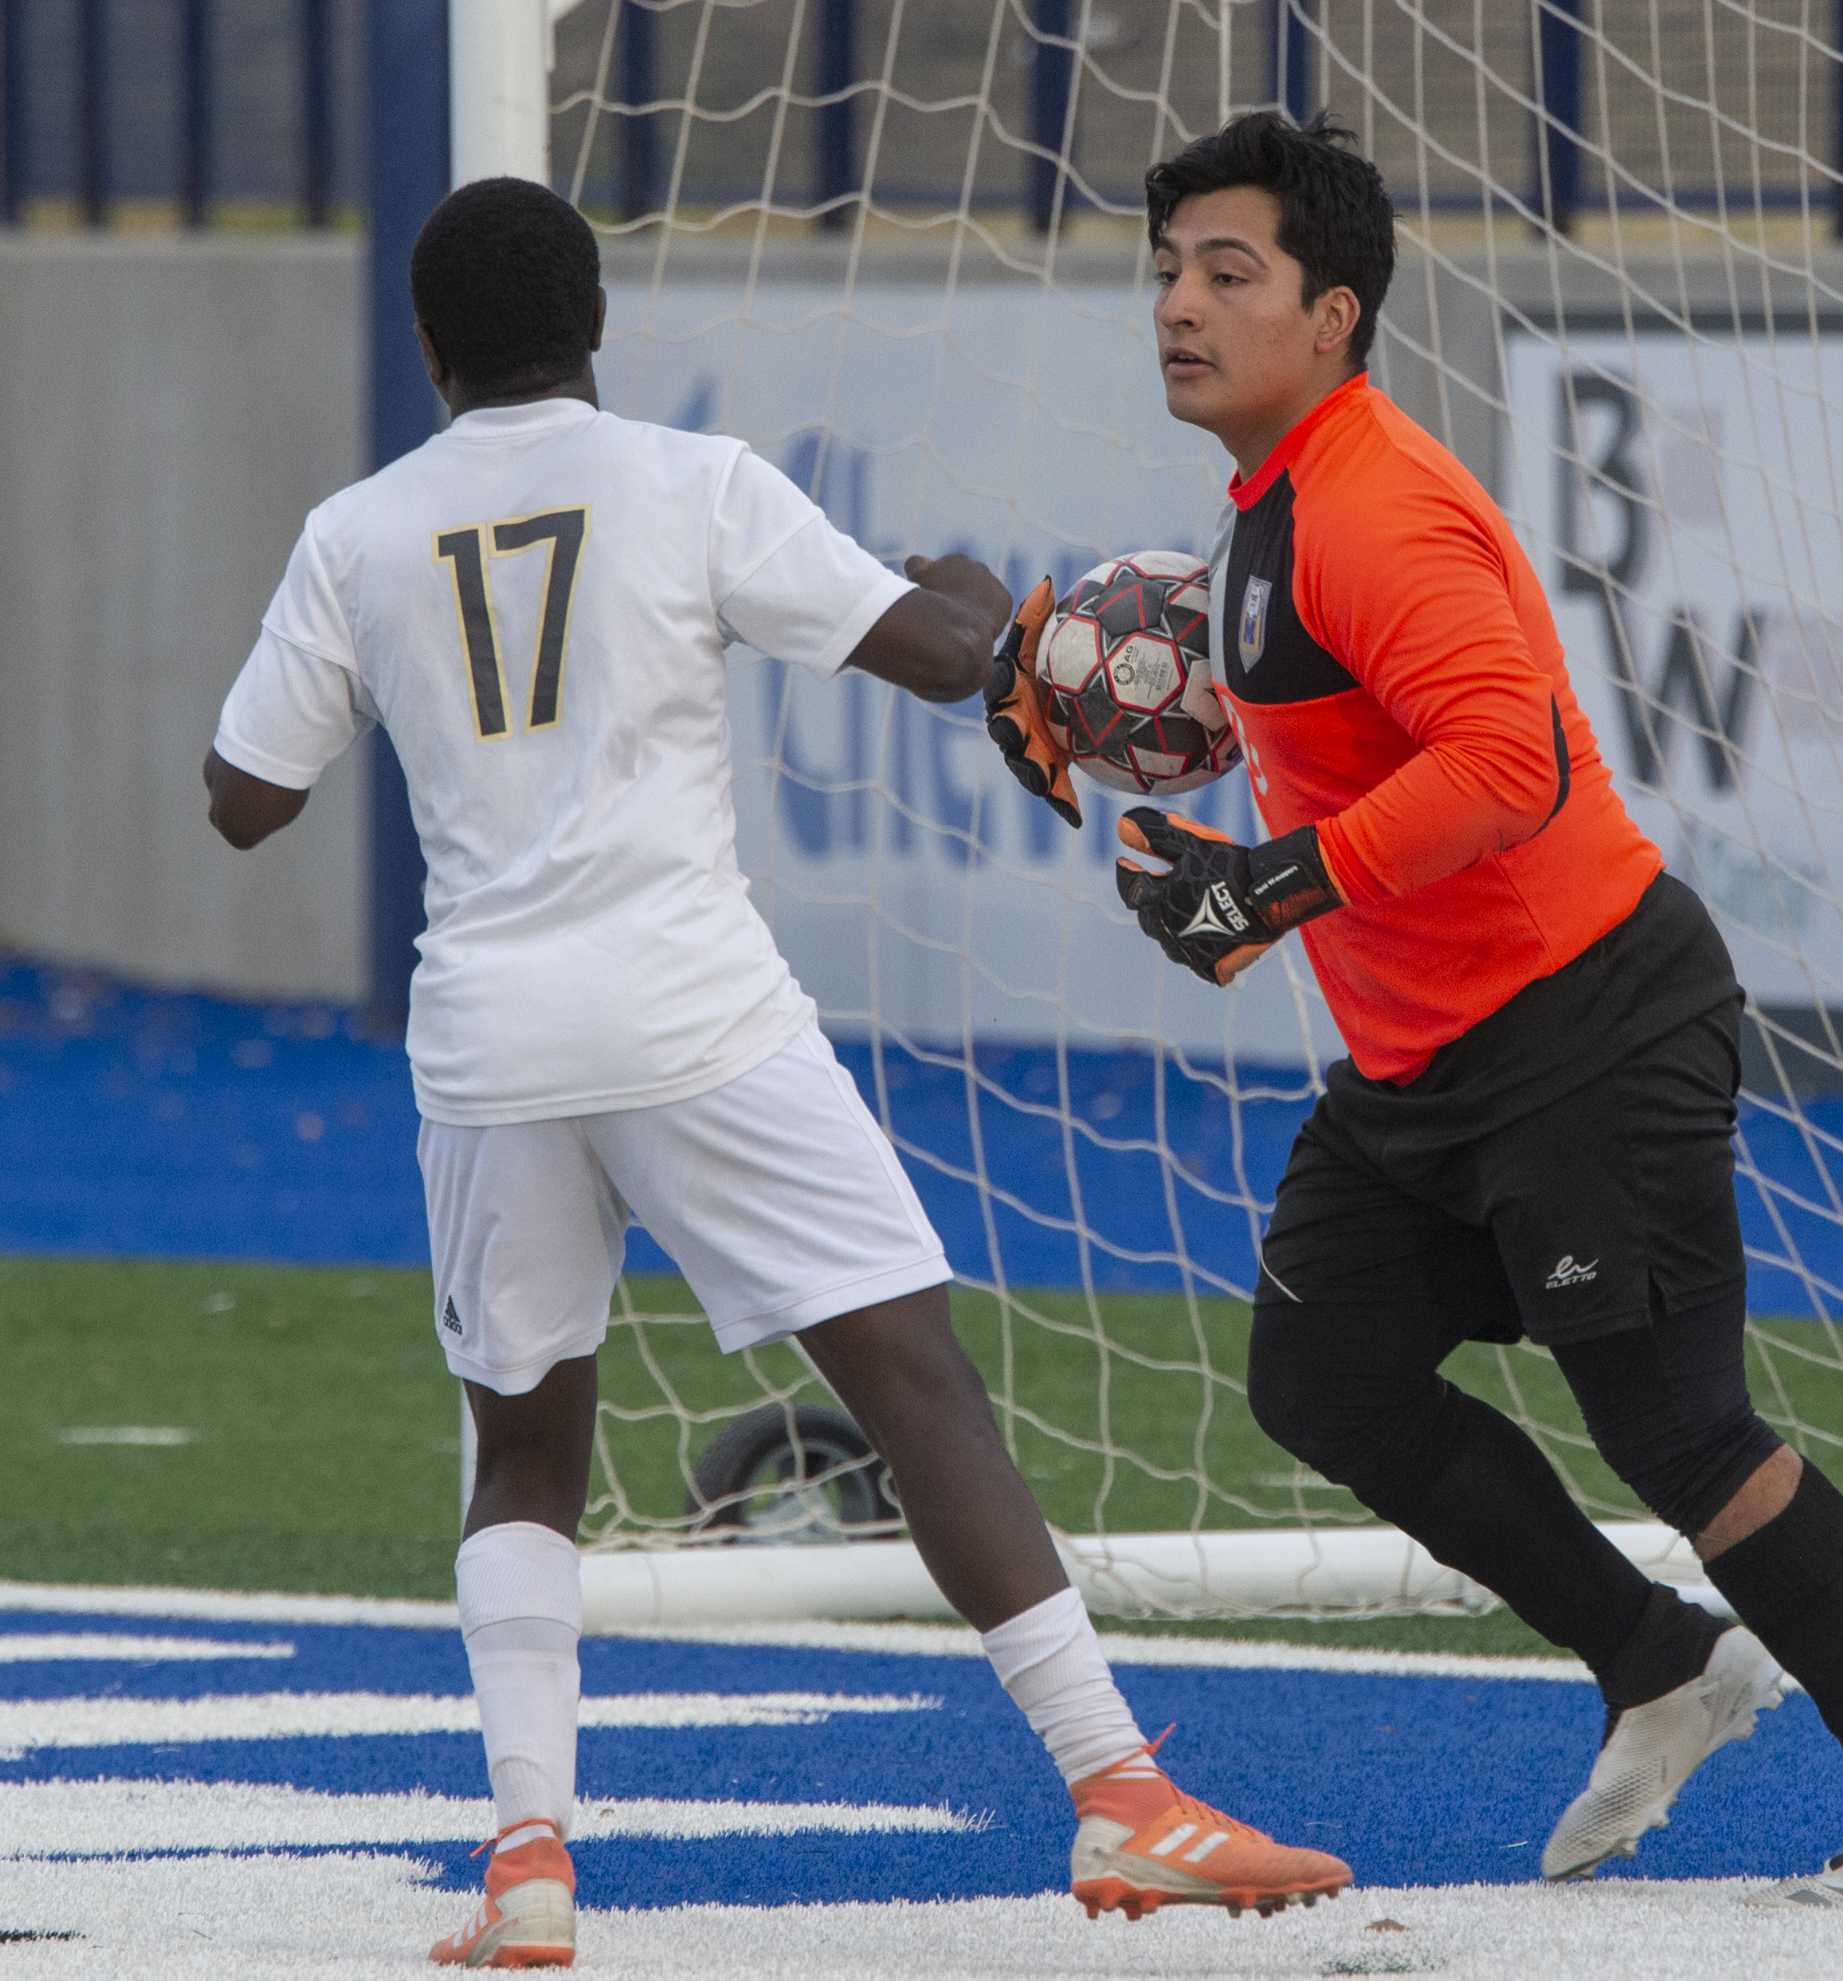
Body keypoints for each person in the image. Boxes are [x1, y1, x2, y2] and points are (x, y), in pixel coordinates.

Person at [204, 177, 1349, 1969]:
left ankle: (526, 1860)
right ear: (597, 327)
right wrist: (976, 596)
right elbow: (952, 656)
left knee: (522, 1448)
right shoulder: (691, 481)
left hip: (491, 1041)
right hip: (693, 1014)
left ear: (428, 351)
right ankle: (1122, 1790)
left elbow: (244, 796)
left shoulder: (357, 531)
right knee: (912, 1379)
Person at [986, 111, 1843, 1909]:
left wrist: (1267, 885)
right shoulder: (1268, 504)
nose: (1180, 302)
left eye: (1228, 273)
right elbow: (1344, 733)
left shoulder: (1372, 508)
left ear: (1334, 313)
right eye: (1167, 268)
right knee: (1322, 1375)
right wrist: (1046, 682)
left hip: (1584, 1028)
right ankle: (1658, 1659)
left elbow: (1510, 763)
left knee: (1678, 1428)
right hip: (1425, 1062)